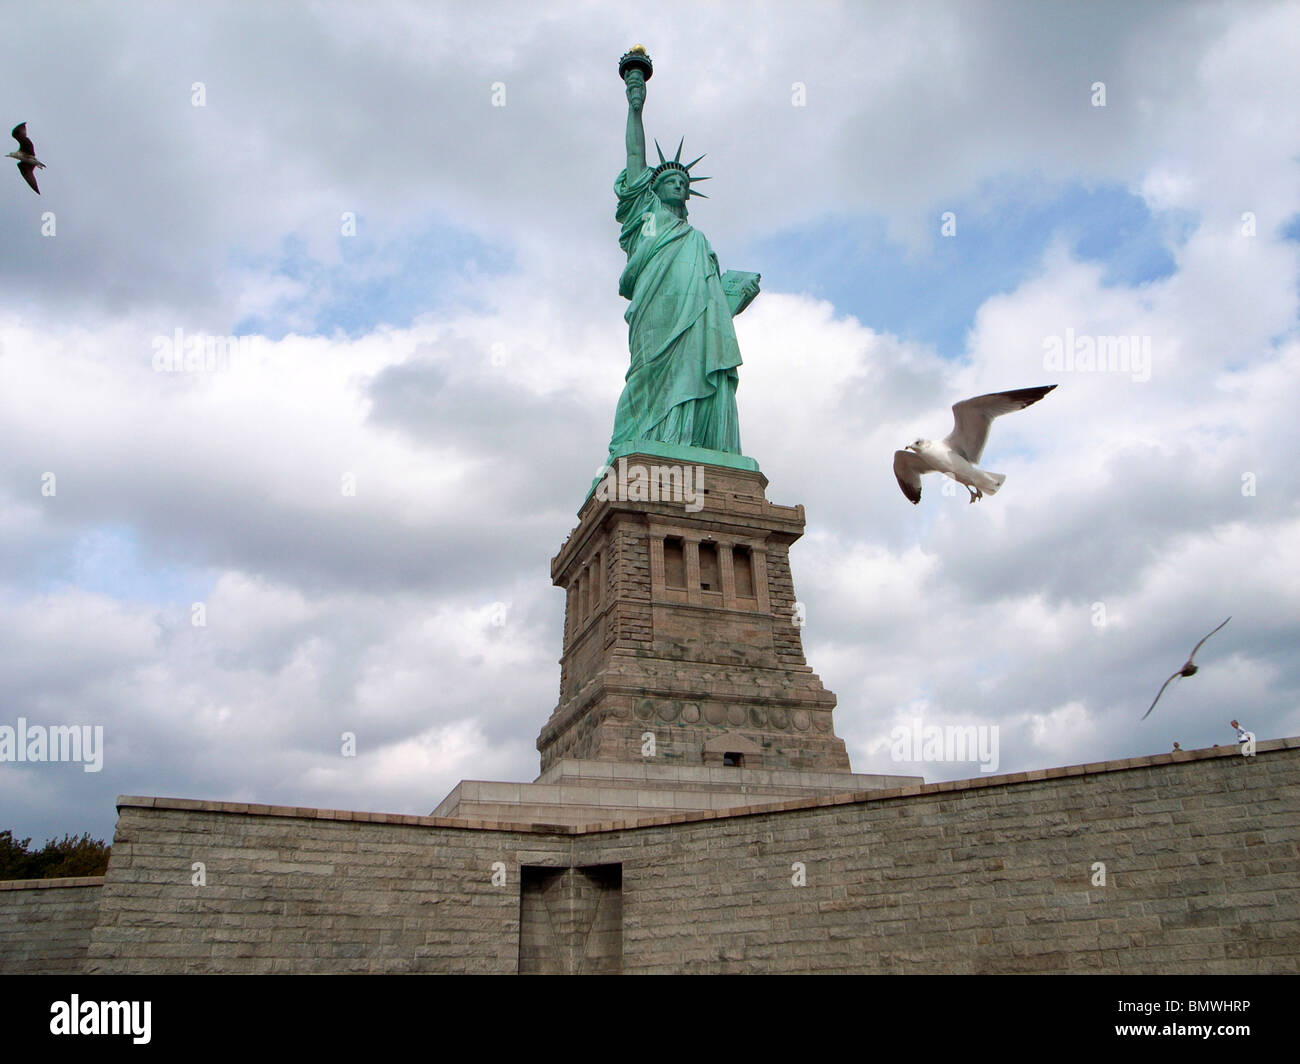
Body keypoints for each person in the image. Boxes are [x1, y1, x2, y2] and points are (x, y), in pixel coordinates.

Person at [606, 67, 760, 460]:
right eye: (670, 180)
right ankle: (638, 442)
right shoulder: (646, 217)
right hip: (655, 314)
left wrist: (731, 300)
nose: (679, 184)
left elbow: (712, 304)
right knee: (645, 374)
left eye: (684, 183)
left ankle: (688, 441)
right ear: (652, 190)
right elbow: (635, 155)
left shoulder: (697, 240)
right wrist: (635, 106)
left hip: (693, 321)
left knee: (694, 362)